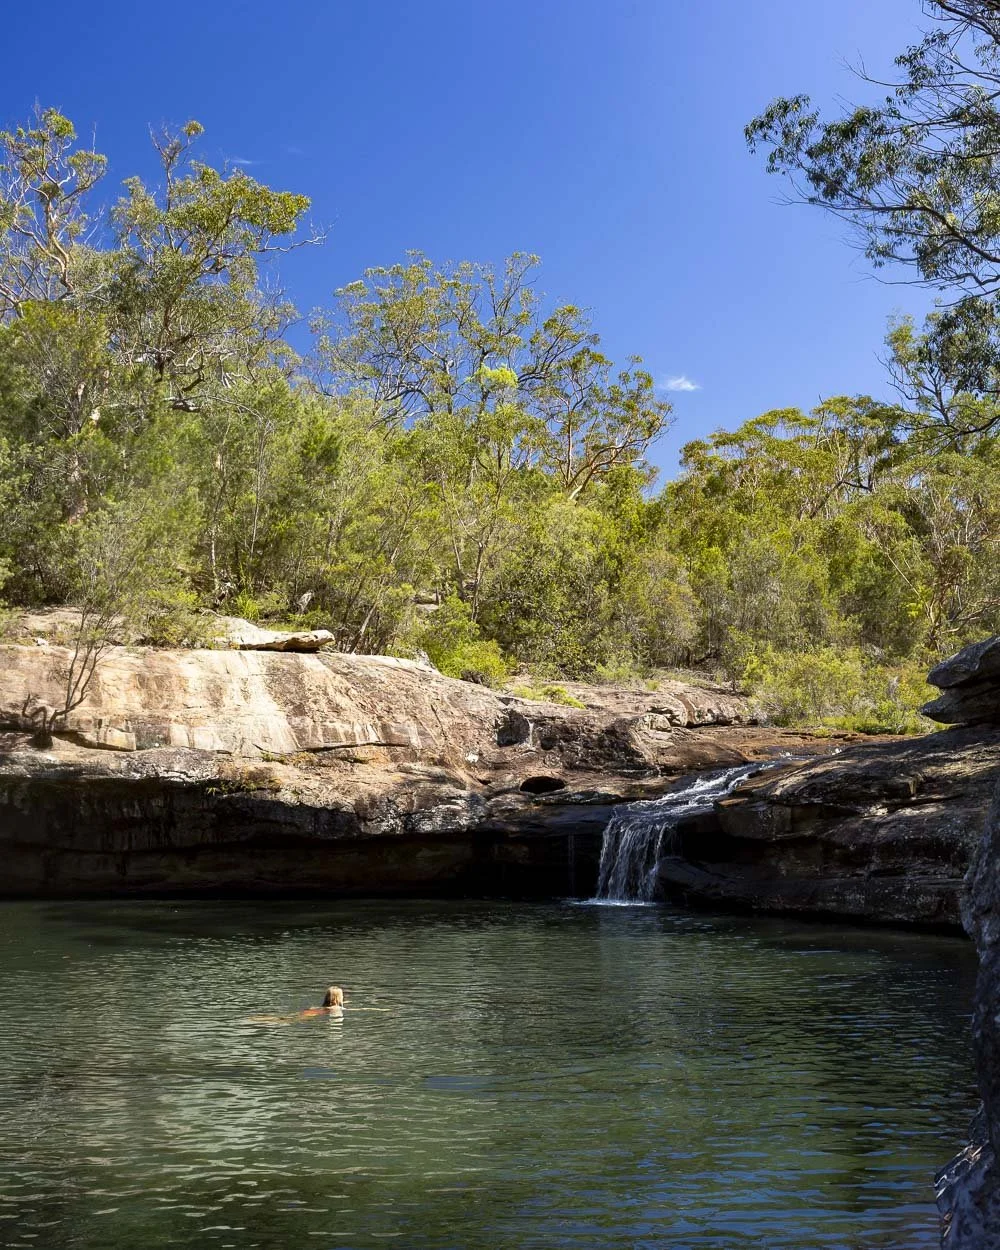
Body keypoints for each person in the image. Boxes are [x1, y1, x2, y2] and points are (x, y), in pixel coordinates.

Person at [244, 985, 345, 1025]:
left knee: (285, 1017)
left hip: (310, 1011)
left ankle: (259, 1018)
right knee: (287, 1020)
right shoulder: (337, 1008)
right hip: (313, 1013)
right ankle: (260, 1020)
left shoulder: (326, 1005)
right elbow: (345, 1009)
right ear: (338, 998)